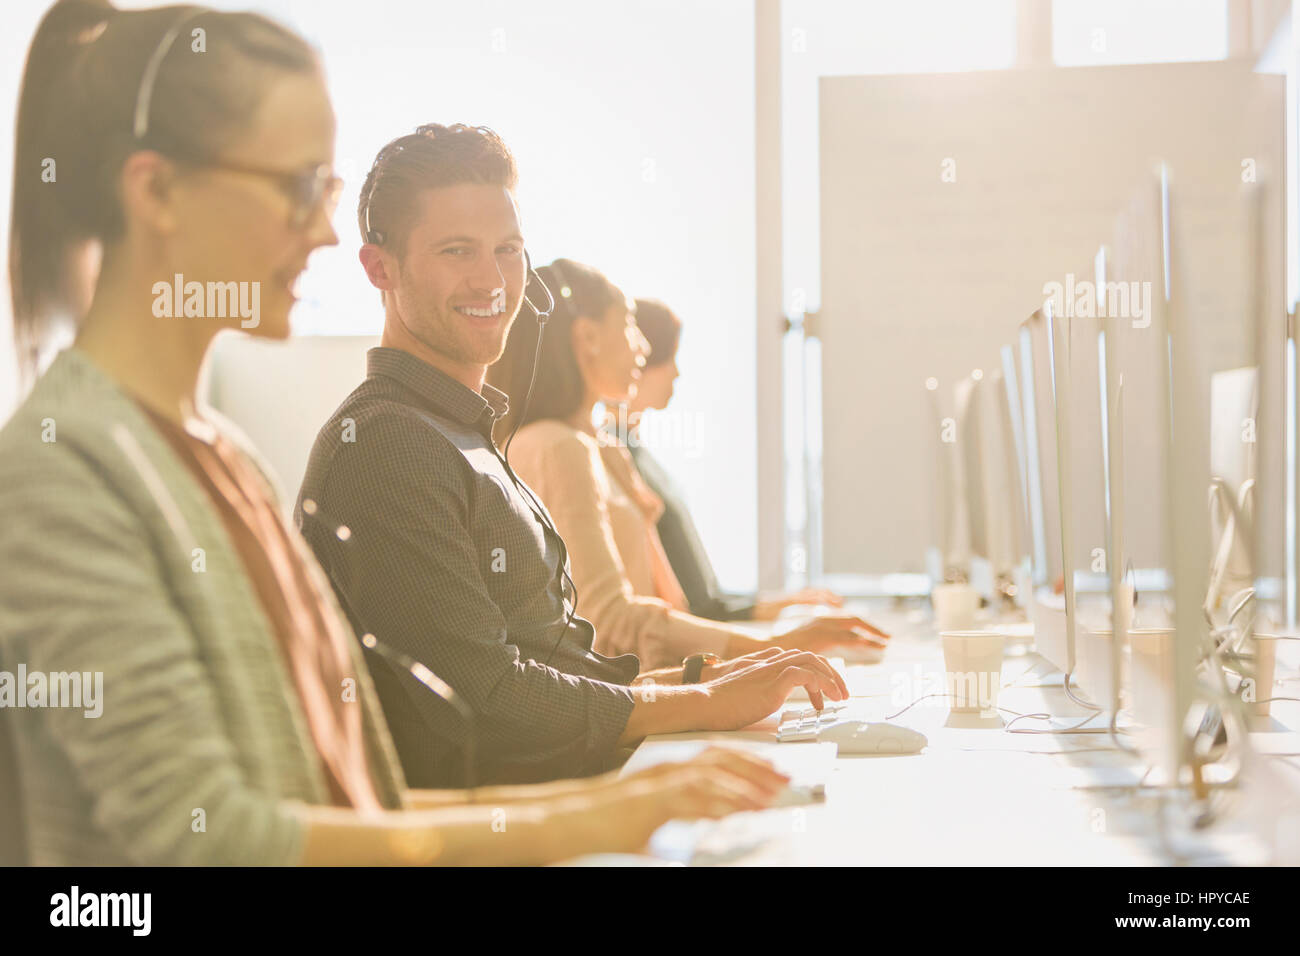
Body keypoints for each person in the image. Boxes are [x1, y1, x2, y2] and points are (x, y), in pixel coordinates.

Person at [0, 0, 793, 866]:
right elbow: (213, 839)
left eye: (328, 191)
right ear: (156, 191)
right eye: (296, 187)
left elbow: (351, 793)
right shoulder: (65, 473)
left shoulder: (223, 457)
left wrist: (629, 795)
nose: (324, 231)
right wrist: (595, 818)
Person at [296, 124, 849, 789]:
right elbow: (486, 702)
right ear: (379, 268)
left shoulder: (463, 433)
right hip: (527, 821)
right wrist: (702, 701)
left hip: (577, 791)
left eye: (508, 250)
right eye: (456, 250)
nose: (491, 279)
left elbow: (552, 667)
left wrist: (704, 679)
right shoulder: (387, 443)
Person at [488, 260, 890, 670]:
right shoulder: (558, 447)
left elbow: (657, 605)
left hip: (649, 686)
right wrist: (774, 645)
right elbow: (608, 619)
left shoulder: (596, 447)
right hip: (629, 697)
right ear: (587, 338)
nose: (643, 348)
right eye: (628, 324)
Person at [626, 297, 848, 622]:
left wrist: (785, 602)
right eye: (669, 358)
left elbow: (706, 598)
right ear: (642, 358)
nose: (677, 373)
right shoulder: (615, 458)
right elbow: (695, 607)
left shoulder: (640, 455)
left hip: (700, 623)